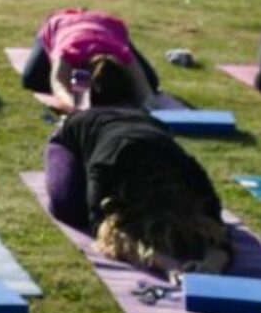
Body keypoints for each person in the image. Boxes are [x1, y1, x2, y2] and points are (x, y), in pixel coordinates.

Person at [42, 106, 231, 276]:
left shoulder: (188, 171)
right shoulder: (106, 167)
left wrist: (212, 264)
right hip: (75, 132)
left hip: (145, 124)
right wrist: (164, 263)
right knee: (68, 208)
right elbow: (100, 228)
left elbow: (218, 227)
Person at [18, 8, 161, 111]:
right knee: (32, 80)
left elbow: (145, 89)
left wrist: (146, 108)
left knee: (152, 82)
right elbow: (59, 83)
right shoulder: (69, 52)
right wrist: (72, 106)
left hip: (107, 26)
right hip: (61, 24)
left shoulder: (122, 53)